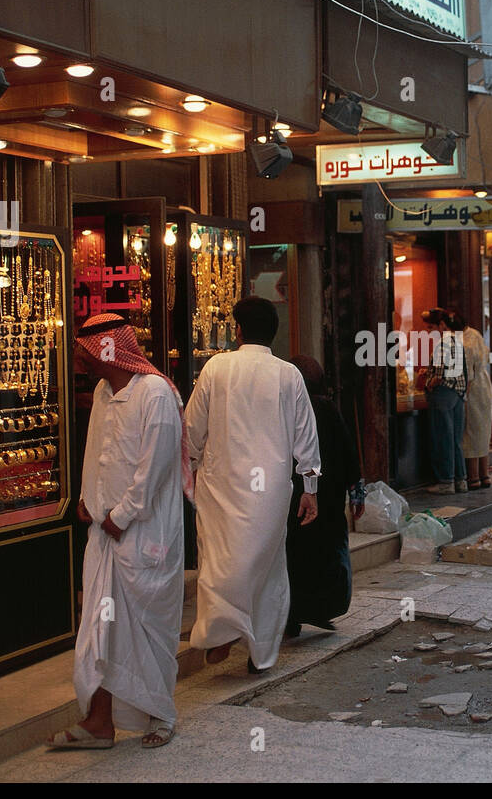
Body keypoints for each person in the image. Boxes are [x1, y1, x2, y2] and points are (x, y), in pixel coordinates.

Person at [52, 313, 189, 751]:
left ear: (104, 348)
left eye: (82, 348)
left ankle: (161, 715)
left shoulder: (156, 394)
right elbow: (97, 451)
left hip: (145, 537)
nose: (77, 355)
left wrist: (123, 515)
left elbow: (155, 467)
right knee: (101, 629)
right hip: (104, 534)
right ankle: (99, 722)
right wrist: (88, 499)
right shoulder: (102, 391)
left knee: (147, 629)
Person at [184, 296, 321, 675]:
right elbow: (305, 435)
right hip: (272, 488)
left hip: (220, 481)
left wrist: (188, 467)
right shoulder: (288, 374)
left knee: (219, 559)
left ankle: (222, 629)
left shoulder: (216, 367)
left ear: (238, 330)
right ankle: (259, 652)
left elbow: (192, 428)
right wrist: (310, 487)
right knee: (267, 567)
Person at [283, 355, 364, 639]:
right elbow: (348, 452)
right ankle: (320, 608)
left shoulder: (288, 410)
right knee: (327, 556)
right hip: (328, 501)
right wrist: (357, 493)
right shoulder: (328, 408)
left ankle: (293, 614)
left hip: (297, 500)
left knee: (294, 557)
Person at [417, 307, 468, 494]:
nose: (429, 332)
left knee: (443, 438)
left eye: (431, 327)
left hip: (443, 394)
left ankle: (446, 481)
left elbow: (438, 376)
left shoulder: (442, 344)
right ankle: (460, 480)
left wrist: (427, 383)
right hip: (458, 394)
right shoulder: (457, 341)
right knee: (455, 439)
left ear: (442, 325)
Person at [449, 311, 492, 490]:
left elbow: (467, 374)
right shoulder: (475, 334)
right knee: (483, 433)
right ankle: (485, 475)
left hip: (473, 390)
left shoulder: (462, 342)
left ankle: (473, 477)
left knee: (470, 434)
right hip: (485, 386)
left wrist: (463, 396)